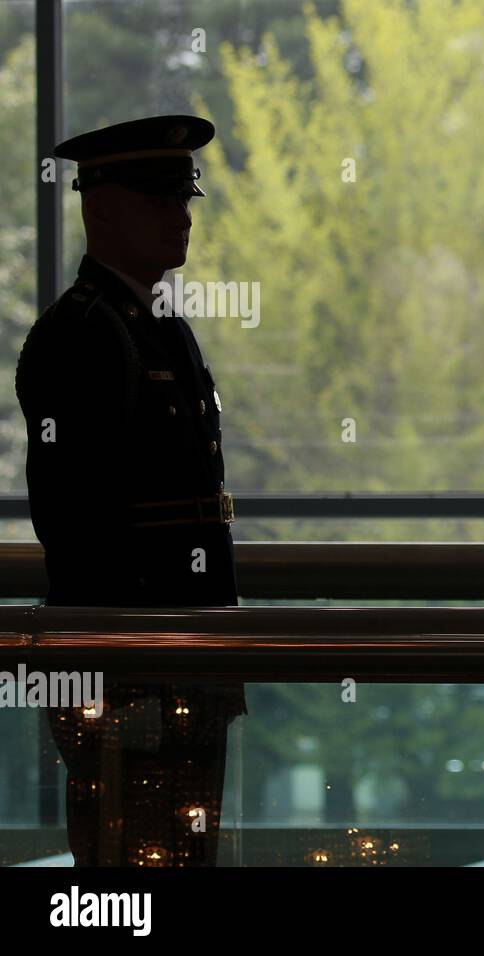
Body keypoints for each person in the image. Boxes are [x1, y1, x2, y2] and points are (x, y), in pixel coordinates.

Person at [15, 114, 244, 866]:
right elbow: (75, 520)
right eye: (159, 201)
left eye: (185, 199)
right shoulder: (82, 334)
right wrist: (142, 645)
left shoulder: (156, 325)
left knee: (179, 855)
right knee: (129, 874)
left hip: (179, 654)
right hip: (128, 666)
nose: (182, 217)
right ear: (102, 208)